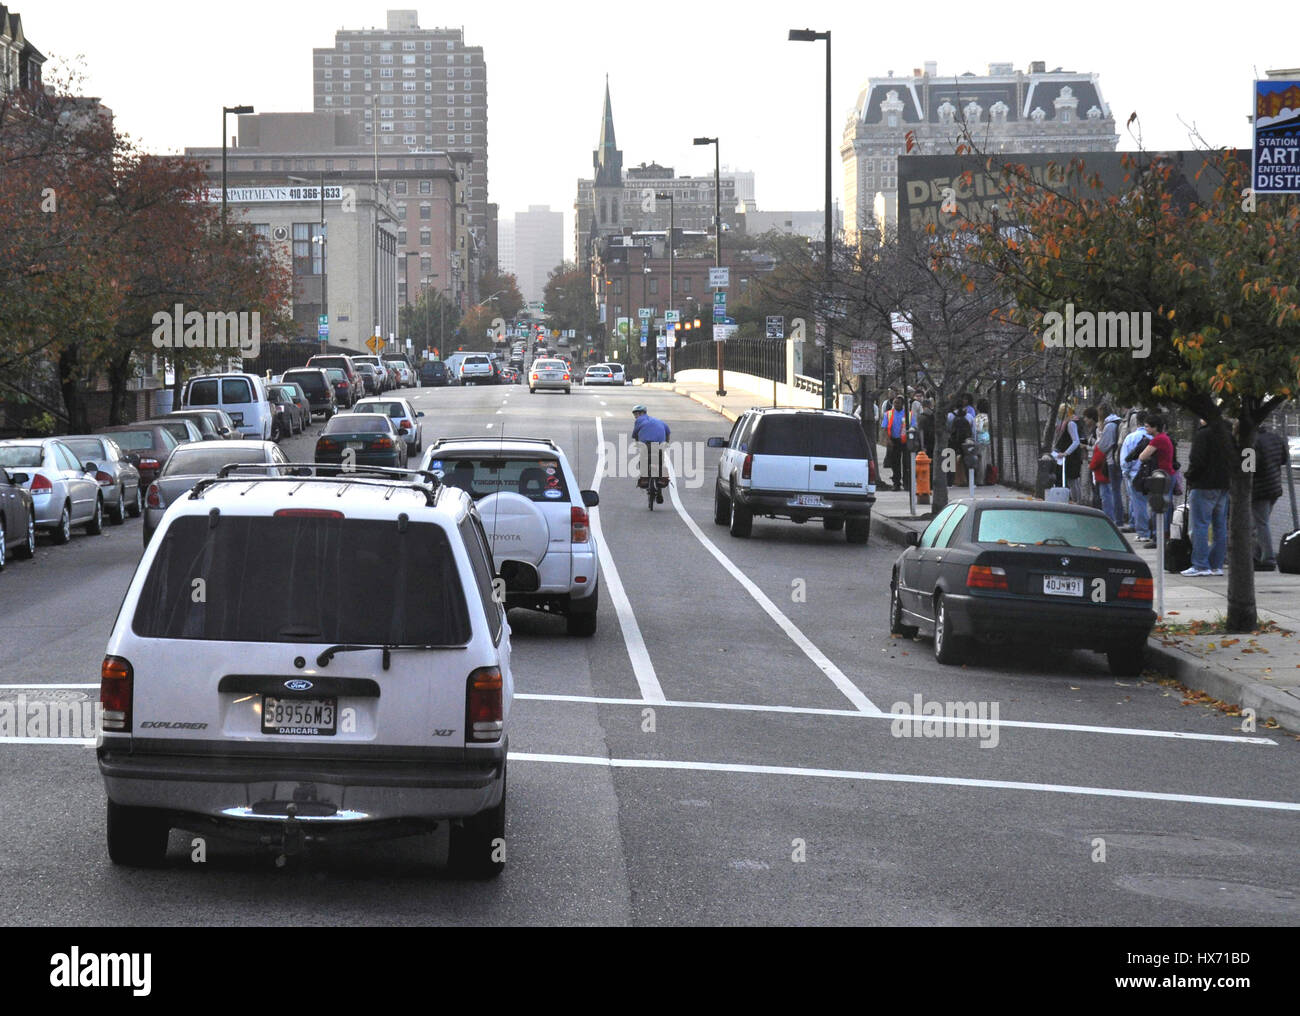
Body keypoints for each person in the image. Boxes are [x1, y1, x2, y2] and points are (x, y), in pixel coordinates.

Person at [1183, 417, 1234, 577]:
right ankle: (1216, 564)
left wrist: (1190, 476)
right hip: (1223, 484)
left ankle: (1200, 564)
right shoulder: (1228, 434)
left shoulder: (1203, 435)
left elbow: (1197, 460)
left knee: (1200, 525)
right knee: (1220, 526)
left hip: (1204, 484)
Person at [1252, 424, 1289, 571]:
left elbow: (1248, 468)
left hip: (1258, 488)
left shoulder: (1250, 441)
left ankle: (1267, 558)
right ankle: (1258, 554)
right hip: (1274, 485)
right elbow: (1284, 459)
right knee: (1261, 522)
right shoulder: (1275, 438)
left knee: (1260, 523)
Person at [1137, 413, 1175, 548]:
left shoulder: (1158, 440)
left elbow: (1142, 456)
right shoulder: (1164, 438)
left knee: (1158, 506)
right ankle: (1162, 536)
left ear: (1154, 427)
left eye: (1147, 427)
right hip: (1168, 475)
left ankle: (1158, 537)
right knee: (1164, 507)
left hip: (1162, 477)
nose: (1146, 429)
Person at [1120, 411, 1150, 539]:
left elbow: (1125, 458)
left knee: (1138, 504)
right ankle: (1154, 531)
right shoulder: (1153, 437)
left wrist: (1126, 472)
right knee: (1152, 504)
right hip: (1151, 473)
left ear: (1136, 422)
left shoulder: (1131, 437)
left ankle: (1143, 532)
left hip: (1134, 474)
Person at [632, 405, 670, 503]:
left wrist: (638, 444)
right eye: (635, 414)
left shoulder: (639, 421)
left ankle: (644, 479)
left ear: (643, 413)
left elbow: (635, 435)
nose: (636, 416)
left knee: (643, 461)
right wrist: (666, 443)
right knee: (660, 464)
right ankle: (660, 484)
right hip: (659, 445)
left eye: (638, 413)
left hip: (647, 445)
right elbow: (668, 432)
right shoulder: (659, 421)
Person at [1096, 403, 1124, 525]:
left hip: (1112, 460)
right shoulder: (1120, 422)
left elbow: (1103, 445)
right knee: (1118, 491)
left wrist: (1099, 438)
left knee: (1114, 491)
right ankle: (1119, 518)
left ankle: (1117, 520)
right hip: (1120, 459)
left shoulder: (1109, 426)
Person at [1052, 403, 1083, 503]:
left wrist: (1066, 453)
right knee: (1072, 481)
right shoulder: (1069, 422)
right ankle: (1076, 501)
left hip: (1072, 457)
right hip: (1071, 456)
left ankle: (1077, 502)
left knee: (1073, 480)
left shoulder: (1071, 423)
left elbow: (1076, 441)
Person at [884, 396, 910, 491]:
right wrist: (888, 440)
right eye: (894, 403)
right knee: (895, 463)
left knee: (906, 463)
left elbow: (913, 426)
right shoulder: (889, 414)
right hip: (894, 441)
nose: (895, 405)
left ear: (902, 404)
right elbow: (885, 428)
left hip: (905, 441)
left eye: (898, 403)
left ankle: (907, 483)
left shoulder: (908, 414)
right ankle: (896, 483)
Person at [973, 398, 992, 486]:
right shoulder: (986, 416)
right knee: (984, 460)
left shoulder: (979, 417)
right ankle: (983, 479)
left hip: (980, 441)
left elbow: (977, 430)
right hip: (985, 440)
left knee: (980, 461)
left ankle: (980, 480)